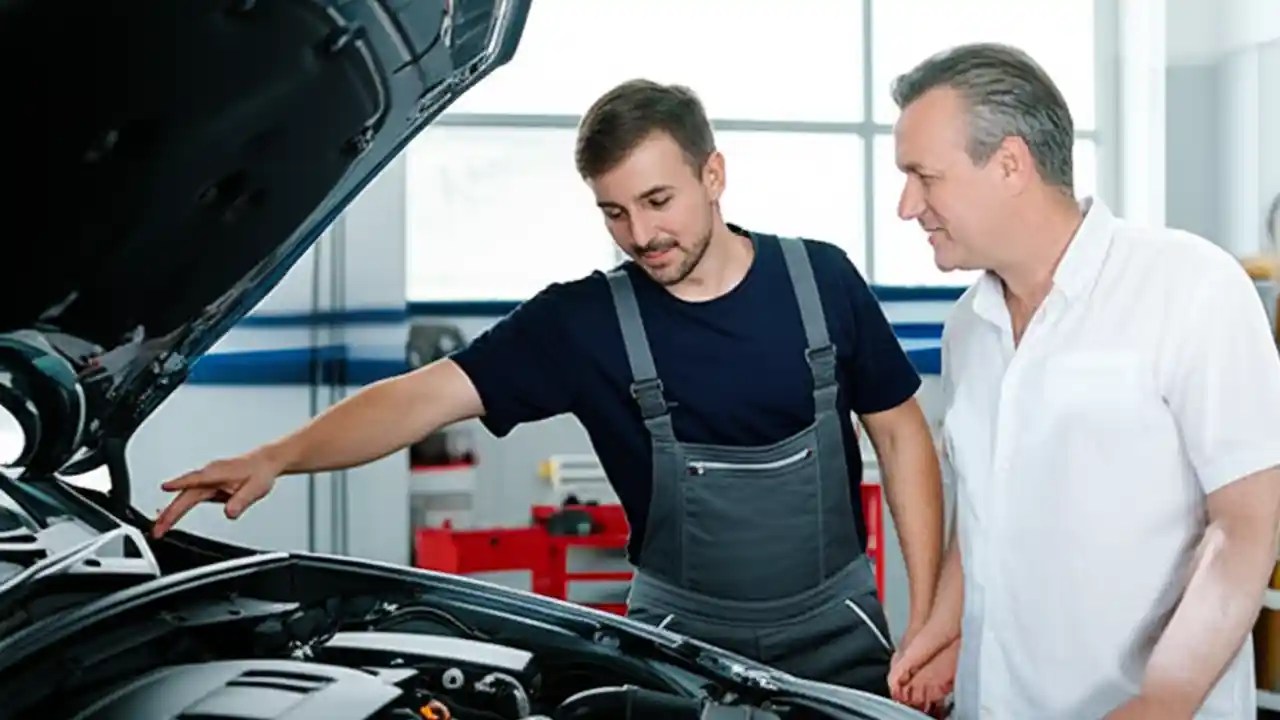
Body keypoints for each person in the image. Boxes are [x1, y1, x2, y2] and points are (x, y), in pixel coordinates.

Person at [150, 78, 947, 697]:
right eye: (614, 213)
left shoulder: (821, 280)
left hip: (838, 627)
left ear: (714, 174)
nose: (641, 236)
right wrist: (277, 456)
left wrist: (927, 619)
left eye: (658, 201)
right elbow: (422, 397)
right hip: (679, 640)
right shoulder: (584, 321)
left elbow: (901, 434)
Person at [882, 43, 1280, 719]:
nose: (906, 205)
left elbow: (1246, 524)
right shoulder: (969, 326)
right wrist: (947, 627)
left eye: (925, 176)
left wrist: (1164, 698)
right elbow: (985, 509)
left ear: (1010, 164)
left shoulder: (1191, 286)